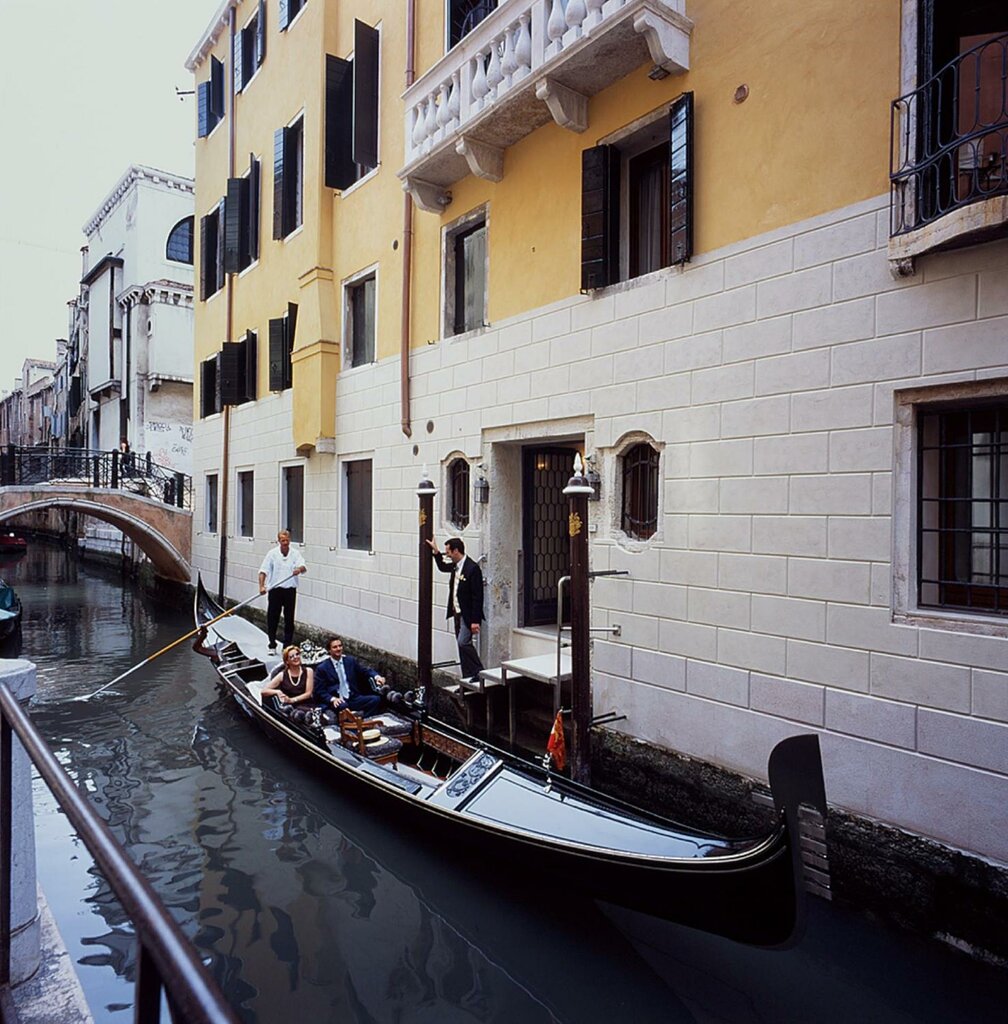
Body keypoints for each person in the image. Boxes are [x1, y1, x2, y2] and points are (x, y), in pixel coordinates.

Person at [426, 536, 485, 683]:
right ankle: (467, 677)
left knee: (463, 642)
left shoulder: (472, 568)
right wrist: (436, 552)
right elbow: (442, 567)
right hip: (457, 613)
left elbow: (478, 596)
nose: (448, 556)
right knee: (461, 647)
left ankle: (479, 671)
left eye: (448, 553)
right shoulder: (455, 566)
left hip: (468, 615)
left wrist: (475, 621)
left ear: (456, 551)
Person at [258, 530, 308, 654]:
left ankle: (287, 646)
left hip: (290, 591)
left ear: (289, 540)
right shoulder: (272, 554)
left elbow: (303, 566)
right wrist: (262, 587)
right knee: (272, 618)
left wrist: (299, 569)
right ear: (279, 541)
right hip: (275, 590)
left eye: (287, 540)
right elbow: (263, 571)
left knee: (289, 619)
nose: (285, 543)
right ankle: (272, 645)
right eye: (282, 540)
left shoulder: (295, 553)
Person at [313, 636, 384, 717]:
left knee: (375, 700)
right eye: (335, 647)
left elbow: (365, 670)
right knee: (343, 706)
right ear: (329, 650)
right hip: (337, 700)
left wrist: (377, 677)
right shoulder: (322, 668)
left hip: (352, 696)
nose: (338, 649)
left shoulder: (350, 661)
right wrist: (332, 699)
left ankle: (365, 721)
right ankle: (348, 725)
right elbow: (319, 691)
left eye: (340, 646)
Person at [261, 645, 315, 711]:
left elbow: (308, 694)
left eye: (297, 654)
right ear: (287, 661)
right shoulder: (282, 675)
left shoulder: (309, 671)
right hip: (290, 707)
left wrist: (292, 700)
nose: (296, 657)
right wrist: (277, 692)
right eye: (292, 656)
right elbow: (264, 691)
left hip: (307, 704)